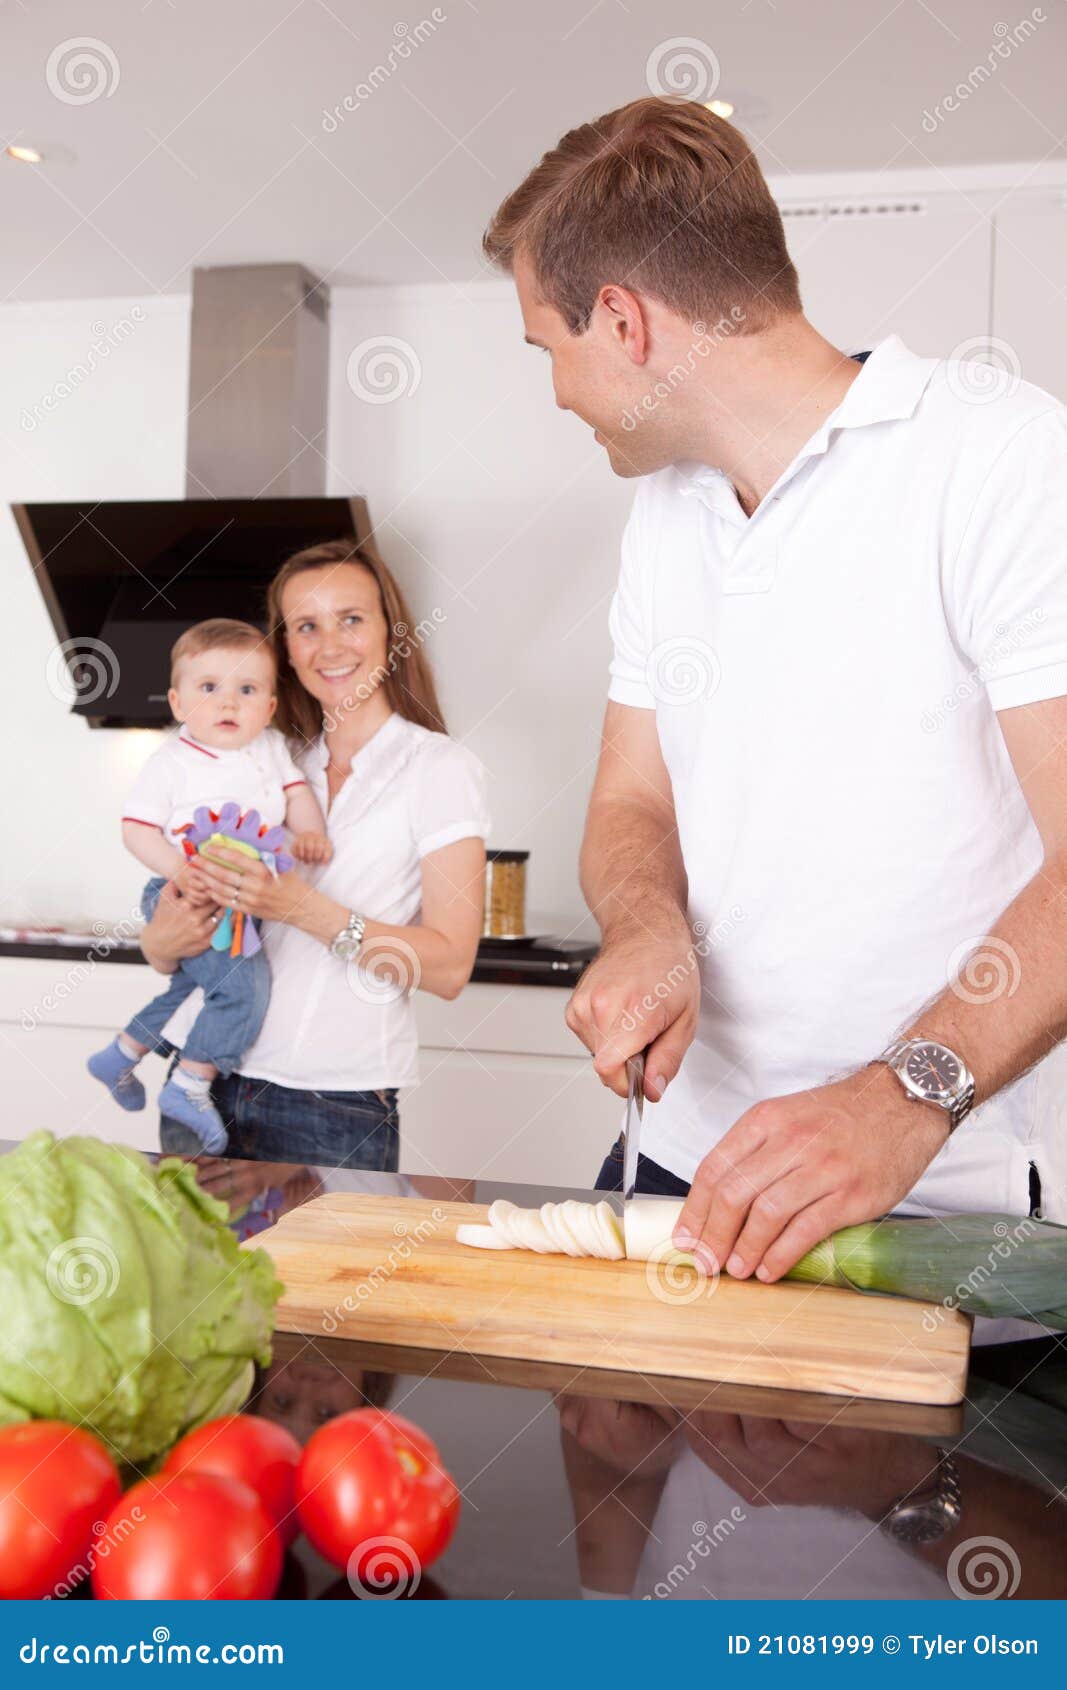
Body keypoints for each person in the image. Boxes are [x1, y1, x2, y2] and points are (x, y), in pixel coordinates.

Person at [483, 95, 1067, 1296]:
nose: (555, 393)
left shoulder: (1001, 458)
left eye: (545, 348)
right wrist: (646, 925)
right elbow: (633, 800)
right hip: (678, 1171)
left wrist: (901, 1098)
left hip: (929, 1200)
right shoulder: (664, 517)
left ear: (622, 321)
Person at [139, 539, 490, 1169]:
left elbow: (449, 967)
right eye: (306, 626)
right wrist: (161, 941)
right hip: (201, 1078)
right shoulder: (267, 761)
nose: (329, 646)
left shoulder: (440, 769)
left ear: (390, 629)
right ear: (286, 650)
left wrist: (301, 907)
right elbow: (175, 946)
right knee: (186, 1242)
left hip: (332, 1104)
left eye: (350, 619)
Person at [87, 619, 330, 1152]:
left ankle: (121, 1054)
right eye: (209, 687)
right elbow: (136, 829)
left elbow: (296, 796)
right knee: (245, 991)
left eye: (247, 689)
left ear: (269, 706)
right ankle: (190, 1084)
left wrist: (311, 832)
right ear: (177, 703)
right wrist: (182, 872)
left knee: (193, 990)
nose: (228, 702)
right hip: (186, 895)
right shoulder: (171, 761)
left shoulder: (272, 747)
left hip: (241, 902)